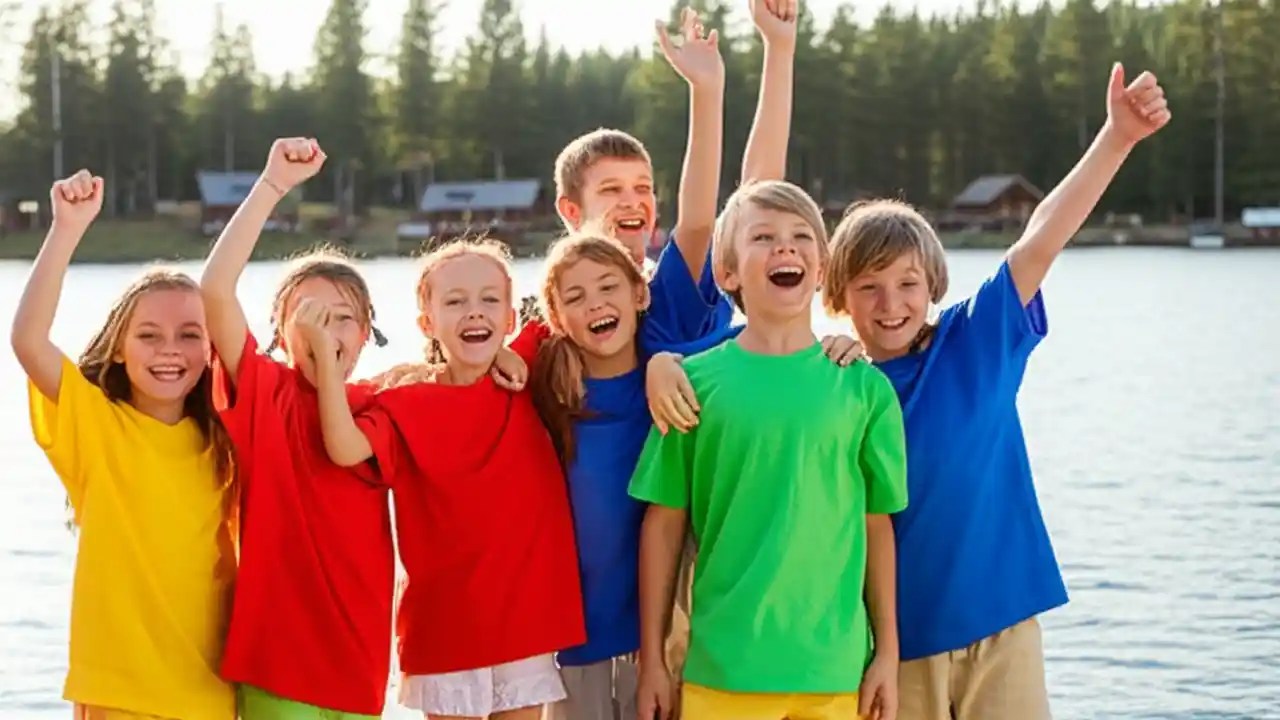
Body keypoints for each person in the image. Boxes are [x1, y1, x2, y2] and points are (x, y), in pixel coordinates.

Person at [817, 65, 1171, 720]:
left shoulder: (976, 342)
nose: (891, 304)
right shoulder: (835, 383)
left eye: (907, 283)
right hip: (895, 649)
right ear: (839, 298)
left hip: (1002, 624)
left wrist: (1117, 138)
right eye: (869, 287)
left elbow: (1040, 234)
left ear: (934, 285)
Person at [630, 180, 908, 720]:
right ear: (728, 272)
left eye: (802, 236)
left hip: (834, 670)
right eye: (763, 237)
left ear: (821, 267)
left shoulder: (864, 389)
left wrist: (887, 655)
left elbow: (878, 528)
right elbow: (662, 527)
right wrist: (653, 663)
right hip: (722, 672)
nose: (785, 247)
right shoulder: (693, 386)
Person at [313, 238, 586, 720]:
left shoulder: (526, 369)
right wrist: (329, 367)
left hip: (526, 617)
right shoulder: (404, 399)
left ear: (510, 318)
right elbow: (344, 446)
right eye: (455, 302)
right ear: (427, 322)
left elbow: (574, 280)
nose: (474, 313)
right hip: (446, 625)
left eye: (489, 300)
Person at [12, 170, 237, 720]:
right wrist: (67, 229)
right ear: (117, 348)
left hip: (209, 693)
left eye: (189, 334)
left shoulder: (225, 441)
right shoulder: (95, 426)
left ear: (211, 348)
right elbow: (28, 340)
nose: (170, 350)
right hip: (119, 695)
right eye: (148, 335)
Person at [198, 137, 400, 719]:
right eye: (307, 318)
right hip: (277, 660)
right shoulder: (264, 392)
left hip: (357, 661)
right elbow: (214, 291)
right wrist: (272, 186)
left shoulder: (382, 407)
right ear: (280, 334)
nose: (324, 332)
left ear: (367, 335)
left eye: (343, 320)